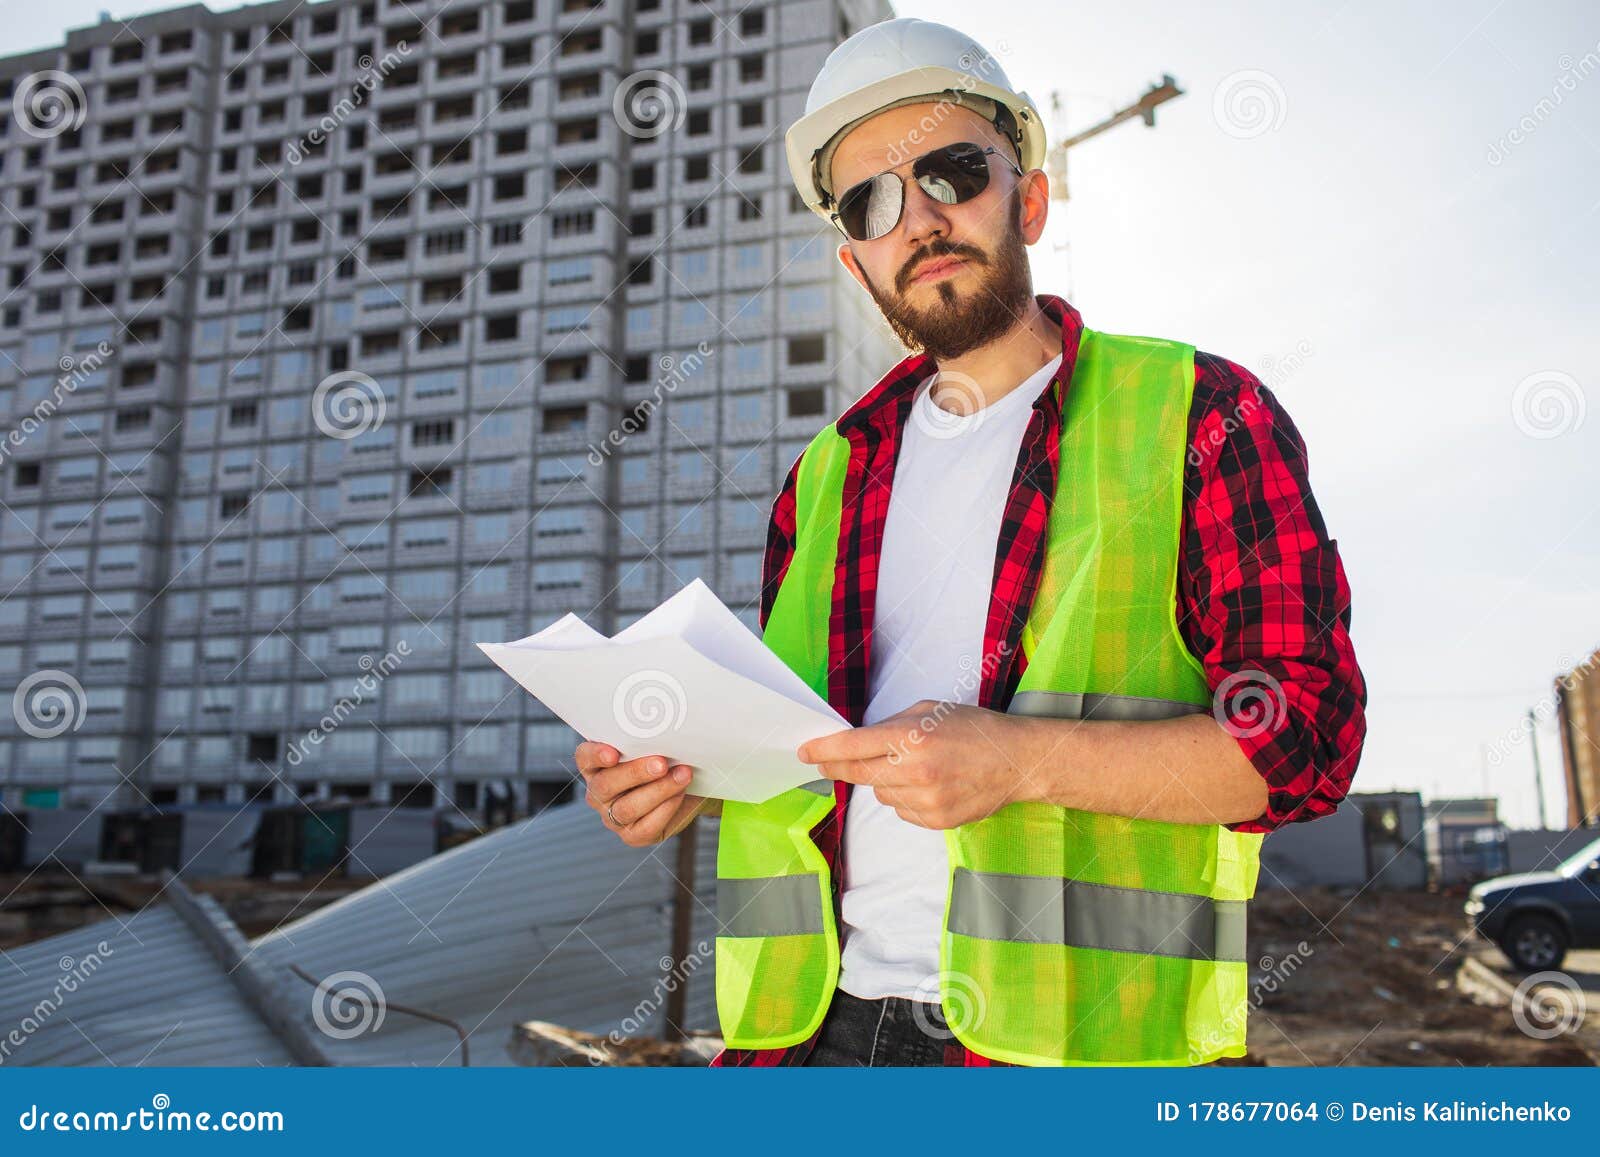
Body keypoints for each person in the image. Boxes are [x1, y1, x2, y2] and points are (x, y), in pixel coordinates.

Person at [576, 17, 1366, 1067]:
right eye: (873, 200)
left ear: (1028, 197)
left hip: (1079, 1058)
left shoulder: (1196, 409)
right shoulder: (824, 477)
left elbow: (1304, 742)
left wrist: (1023, 758)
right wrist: (675, 781)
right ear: (856, 262)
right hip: (802, 1037)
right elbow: (799, 756)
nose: (921, 217)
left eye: (952, 170)